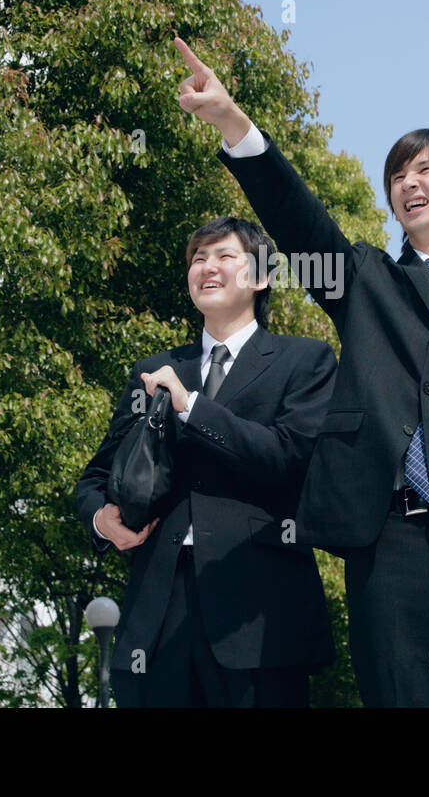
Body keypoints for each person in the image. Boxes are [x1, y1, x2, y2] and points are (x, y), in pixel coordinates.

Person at [172, 36, 429, 707]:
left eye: (426, 170)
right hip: (389, 548)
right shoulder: (364, 282)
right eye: (397, 175)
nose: (408, 183)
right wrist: (231, 121)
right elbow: (297, 222)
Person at [74, 216, 337, 707]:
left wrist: (191, 407)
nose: (206, 267)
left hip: (259, 614)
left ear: (260, 277)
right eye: (198, 259)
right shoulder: (153, 371)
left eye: (223, 257)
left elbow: (290, 459)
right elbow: (96, 476)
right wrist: (101, 520)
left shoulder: (306, 361)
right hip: (158, 616)